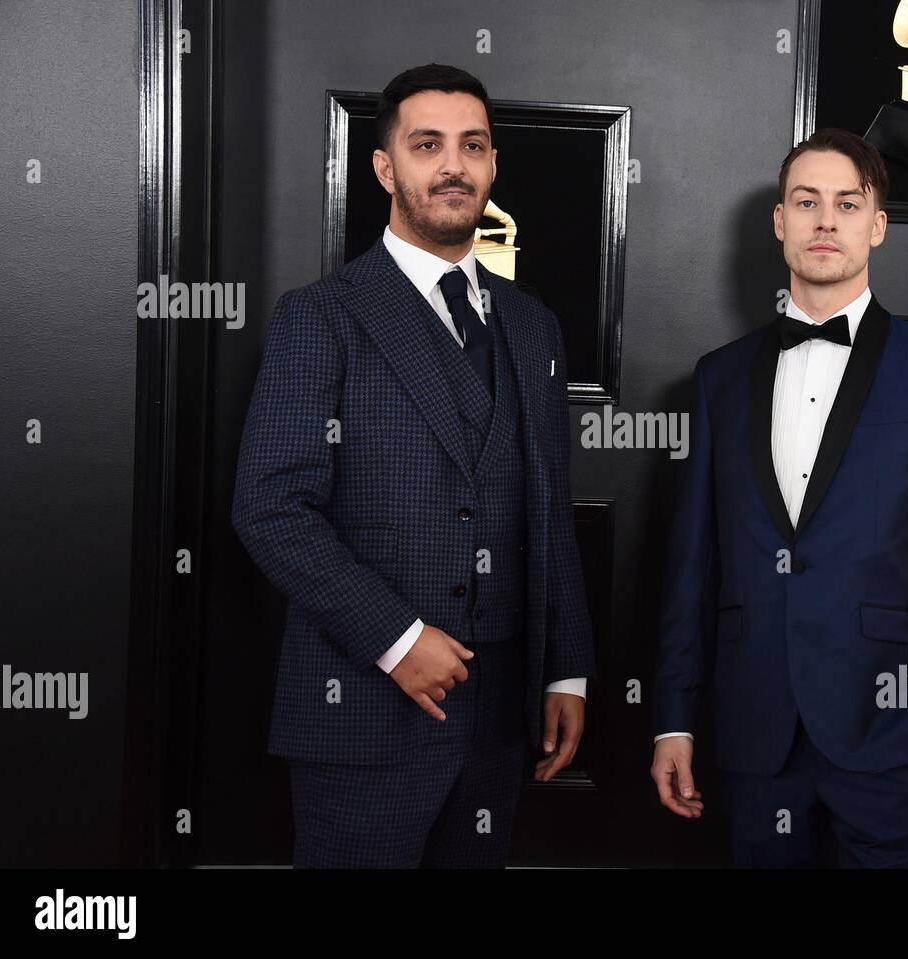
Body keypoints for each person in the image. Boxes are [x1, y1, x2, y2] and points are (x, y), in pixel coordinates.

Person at [231, 63, 594, 868]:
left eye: (472, 146)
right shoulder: (320, 317)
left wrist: (566, 669)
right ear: (387, 167)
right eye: (427, 145)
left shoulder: (533, 328)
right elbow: (269, 508)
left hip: (503, 716)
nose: (453, 165)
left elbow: (549, 511)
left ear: (494, 166)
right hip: (360, 705)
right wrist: (396, 638)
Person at [650, 128, 908, 867]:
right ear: (780, 221)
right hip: (752, 737)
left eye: (847, 203)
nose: (825, 220)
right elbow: (691, 564)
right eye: (806, 202)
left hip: (894, 735)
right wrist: (674, 721)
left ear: (876, 225)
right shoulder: (718, 378)